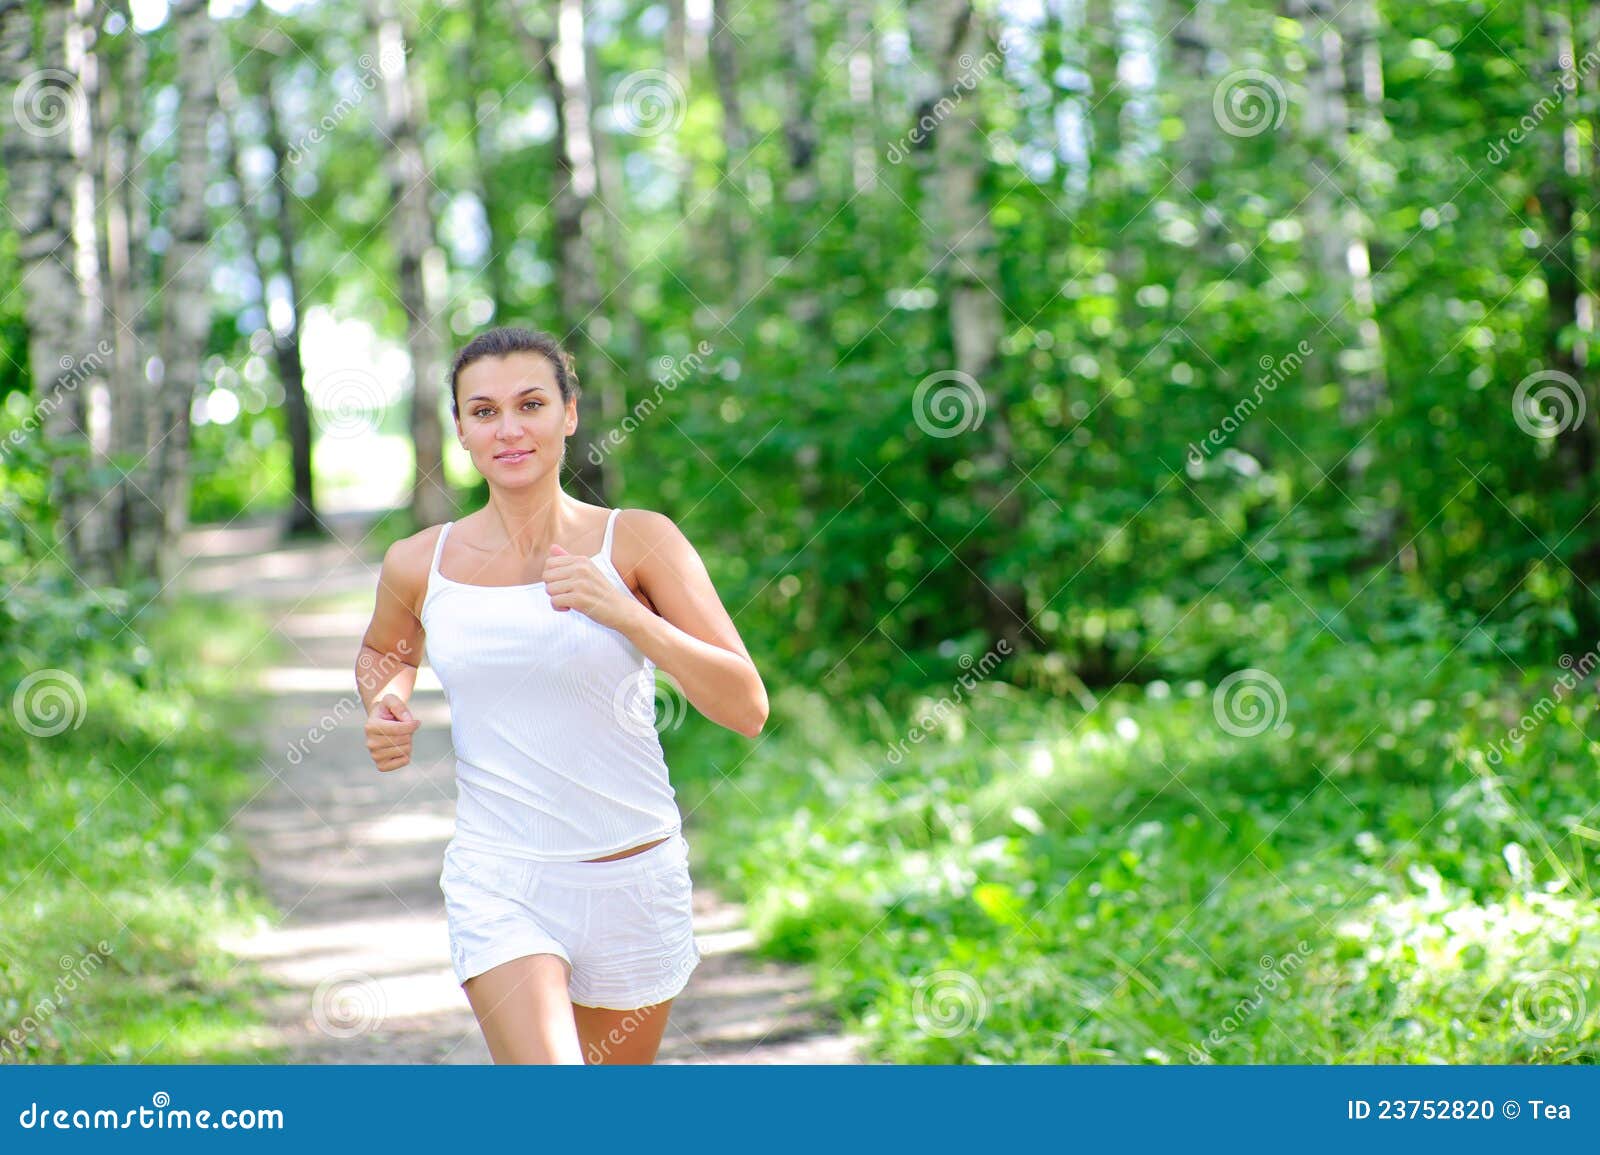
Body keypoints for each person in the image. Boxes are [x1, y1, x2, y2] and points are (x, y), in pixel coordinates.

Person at [353, 326, 768, 1064]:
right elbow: (387, 648)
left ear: (569, 415)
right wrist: (386, 697)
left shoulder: (638, 541)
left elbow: (745, 706)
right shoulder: (421, 560)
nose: (509, 428)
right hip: (500, 878)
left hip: (634, 877)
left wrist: (629, 615)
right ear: (460, 428)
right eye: (483, 411)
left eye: (531, 403)